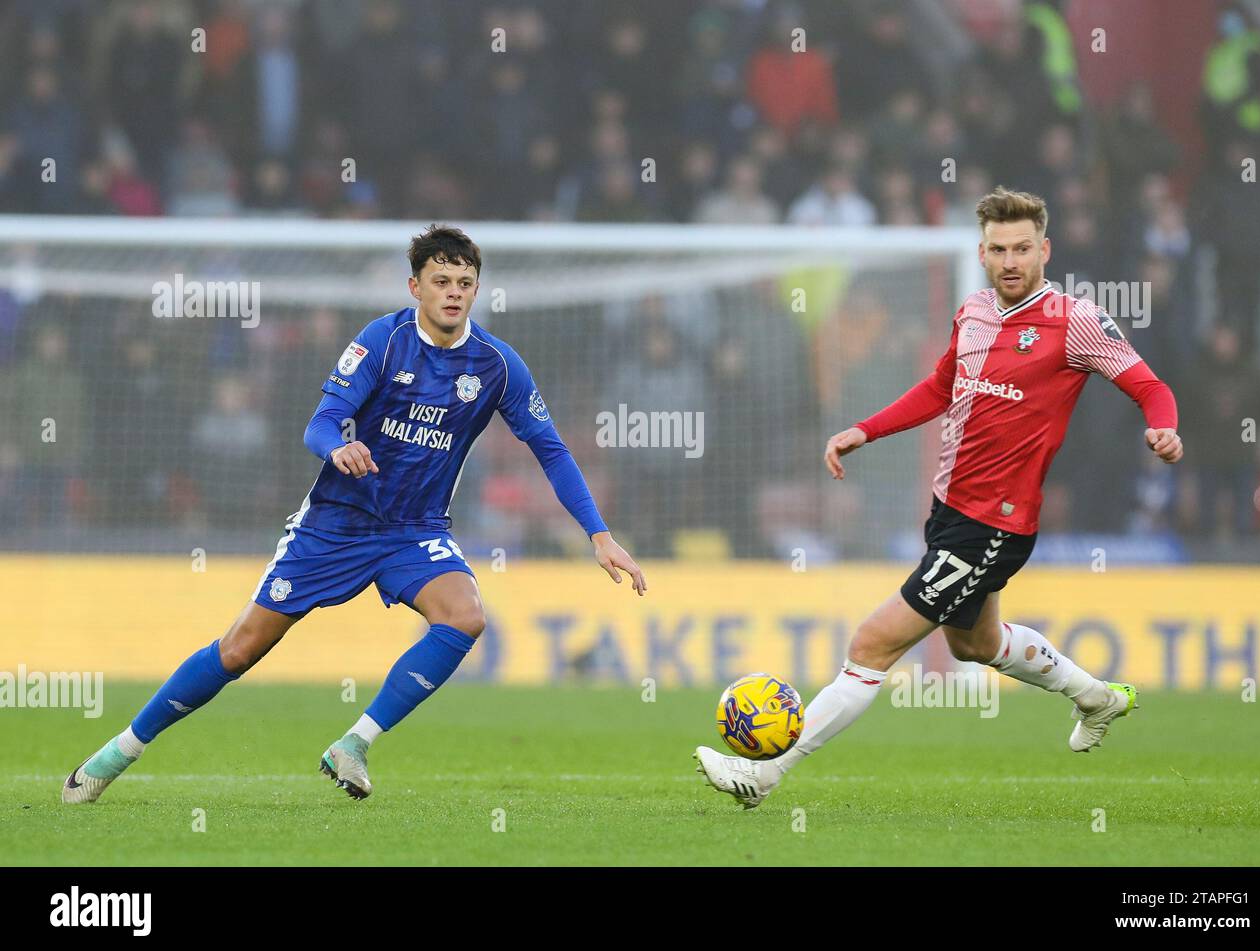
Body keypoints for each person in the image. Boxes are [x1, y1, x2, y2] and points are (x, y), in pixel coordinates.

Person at [63, 225, 646, 804]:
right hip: (336, 524)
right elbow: (321, 421)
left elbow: (551, 448)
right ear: (414, 286)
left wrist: (599, 534)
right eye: (440, 280)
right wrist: (337, 447)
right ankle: (118, 752)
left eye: (465, 283)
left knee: (465, 616)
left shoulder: (496, 366)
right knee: (240, 649)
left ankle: (354, 743)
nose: (454, 292)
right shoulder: (383, 341)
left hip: (414, 531)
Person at [695, 187, 1183, 808]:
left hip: (995, 525)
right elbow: (938, 387)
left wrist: (1162, 425)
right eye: (999, 249)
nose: (1010, 260)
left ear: (1045, 249)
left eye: (1023, 248)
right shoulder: (975, 310)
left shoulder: (1076, 321)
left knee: (872, 644)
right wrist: (864, 429)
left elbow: (1149, 384)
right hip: (951, 512)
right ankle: (1097, 697)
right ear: (982, 252)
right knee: (975, 643)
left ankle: (763, 776)